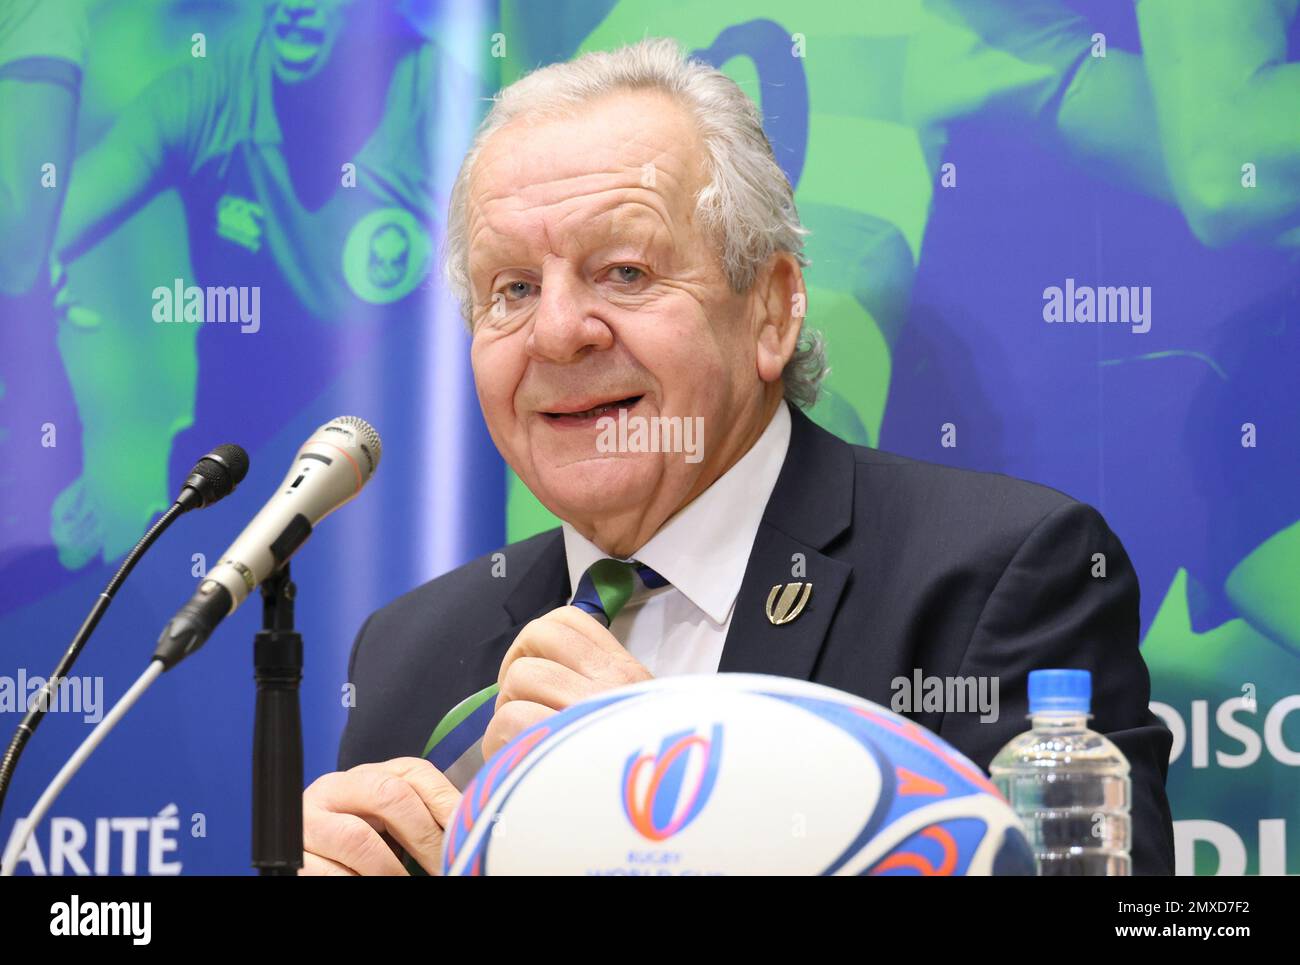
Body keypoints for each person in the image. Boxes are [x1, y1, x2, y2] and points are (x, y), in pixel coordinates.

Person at [304, 38, 1175, 876]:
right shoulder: (407, 652)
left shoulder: (998, 579)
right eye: (513, 290)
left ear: (772, 309)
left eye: (626, 272)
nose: (559, 332)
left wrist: (679, 790)